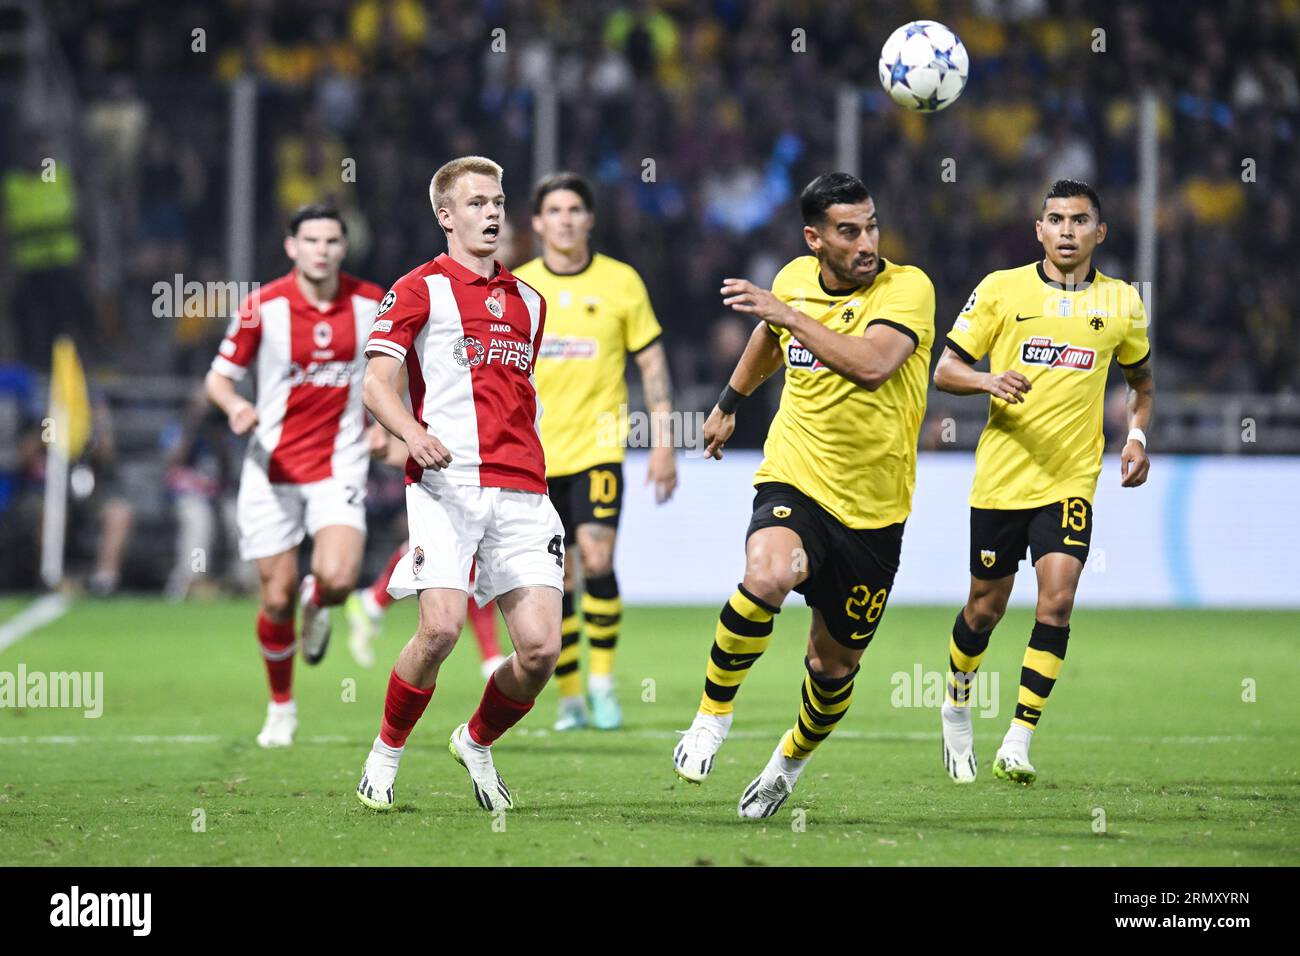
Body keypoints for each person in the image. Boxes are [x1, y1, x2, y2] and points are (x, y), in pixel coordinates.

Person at [671, 173, 935, 818]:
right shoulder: (792, 280)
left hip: (874, 511)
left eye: (871, 225)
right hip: (797, 476)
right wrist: (730, 402)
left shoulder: (910, 288)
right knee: (767, 575)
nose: (867, 241)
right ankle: (711, 715)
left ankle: (788, 761)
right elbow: (768, 340)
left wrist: (788, 314)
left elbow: (872, 367)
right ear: (815, 239)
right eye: (849, 231)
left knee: (832, 665)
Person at [354, 156, 563, 813]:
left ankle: (475, 740)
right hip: (447, 484)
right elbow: (375, 382)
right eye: (476, 203)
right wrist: (411, 433)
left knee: (540, 652)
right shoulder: (418, 288)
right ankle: (383, 758)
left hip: (525, 488)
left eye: (498, 201)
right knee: (440, 631)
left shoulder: (531, 301)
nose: (493, 213)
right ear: (446, 216)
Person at [932, 179, 1154, 785]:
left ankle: (1018, 739)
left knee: (1056, 599)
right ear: (1038, 229)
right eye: (1055, 219)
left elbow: (1141, 384)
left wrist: (1135, 438)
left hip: (1071, 479)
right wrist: (987, 382)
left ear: (1099, 232)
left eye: (1079, 220)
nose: (1066, 230)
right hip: (1001, 479)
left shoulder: (1123, 303)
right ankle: (955, 703)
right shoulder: (1001, 289)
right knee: (984, 609)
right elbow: (945, 369)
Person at [205, 202, 386, 748]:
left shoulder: (374, 303)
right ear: (291, 247)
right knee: (275, 596)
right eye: (311, 240)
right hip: (272, 467)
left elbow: (397, 371)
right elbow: (218, 379)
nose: (322, 250)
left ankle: (320, 602)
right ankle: (281, 707)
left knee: (336, 579)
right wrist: (236, 408)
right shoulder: (263, 307)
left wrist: (387, 426)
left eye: (332, 240)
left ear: (343, 247)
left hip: (340, 464)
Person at [513, 172, 678, 731]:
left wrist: (663, 445)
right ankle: (571, 697)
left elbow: (651, 363)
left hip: (598, 449)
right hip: (533, 459)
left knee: (598, 558)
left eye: (574, 209)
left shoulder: (621, 282)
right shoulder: (517, 288)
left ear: (589, 219)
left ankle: (604, 686)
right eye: (553, 210)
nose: (563, 218)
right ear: (536, 223)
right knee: (559, 581)